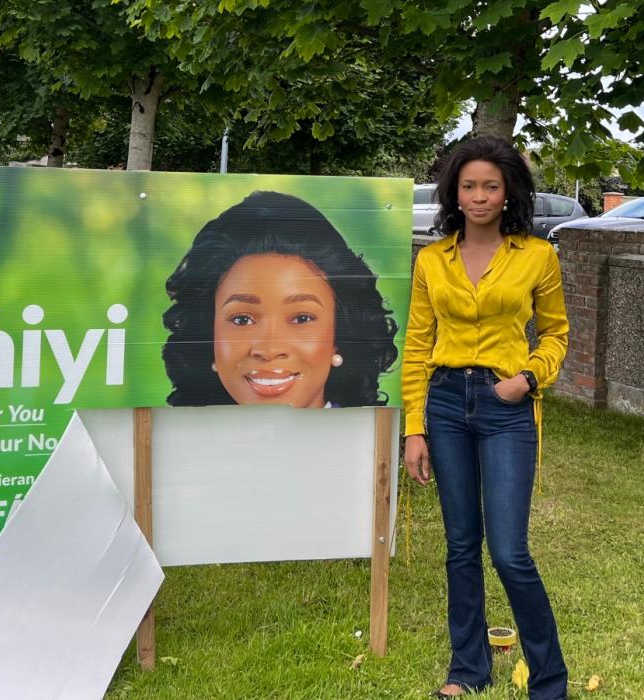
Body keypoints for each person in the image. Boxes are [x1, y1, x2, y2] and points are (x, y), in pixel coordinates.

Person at [402, 137, 570, 699]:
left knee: (508, 550)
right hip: (447, 402)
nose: (478, 196)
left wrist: (528, 379)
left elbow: (556, 334)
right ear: (454, 192)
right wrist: (414, 429)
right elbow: (419, 345)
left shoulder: (537, 257)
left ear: (508, 194)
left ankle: (549, 681)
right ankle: (468, 670)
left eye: (490, 186)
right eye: (468, 185)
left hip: (507, 408)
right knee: (459, 545)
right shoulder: (431, 259)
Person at [162, 190, 398, 408]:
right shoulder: (184, 443)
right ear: (208, 333)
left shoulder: (362, 444)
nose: (269, 349)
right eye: (242, 319)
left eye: (302, 318)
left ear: (340, 332)